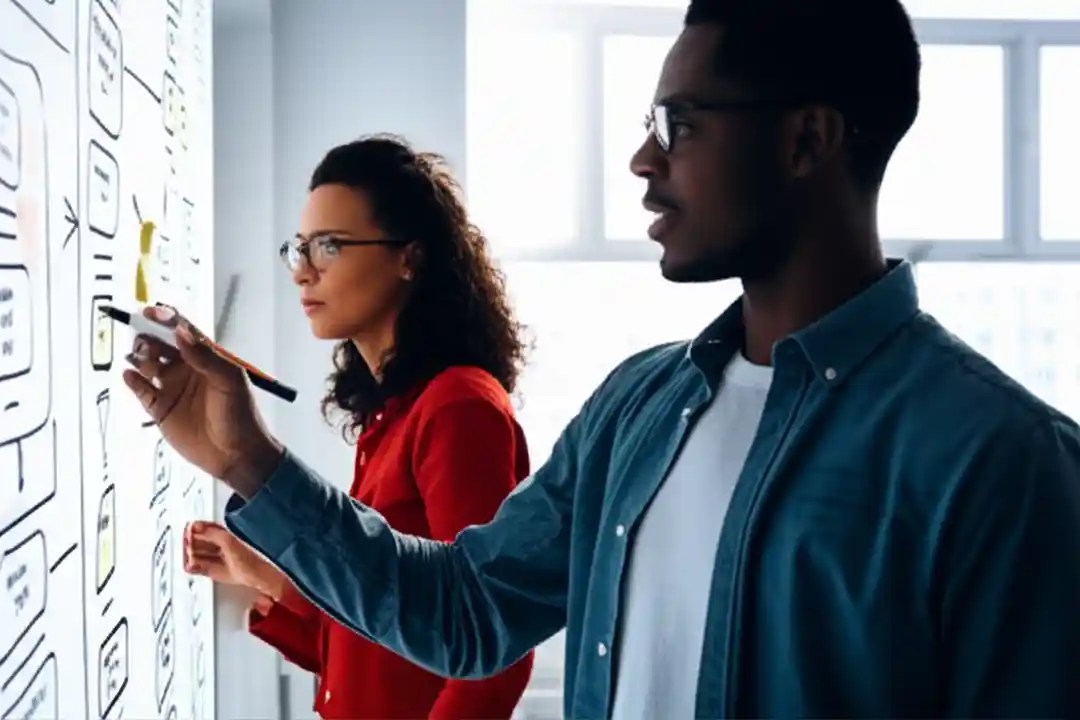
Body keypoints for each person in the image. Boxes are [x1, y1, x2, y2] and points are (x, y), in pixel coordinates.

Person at [123, 1, 1080, 717]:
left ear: (807, 139)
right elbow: (466, 612)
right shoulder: (642, 406)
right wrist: (247, 459)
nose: (641, 162)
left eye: (680, 125)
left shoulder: (1006, 467)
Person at [153, 135, 534, 719]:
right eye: (298, 248)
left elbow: (492, 650)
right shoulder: (393, 414)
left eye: (329, 246)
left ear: (409, 256)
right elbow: (374, 644)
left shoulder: (457, 406)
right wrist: (267, 578)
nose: (302, 272)